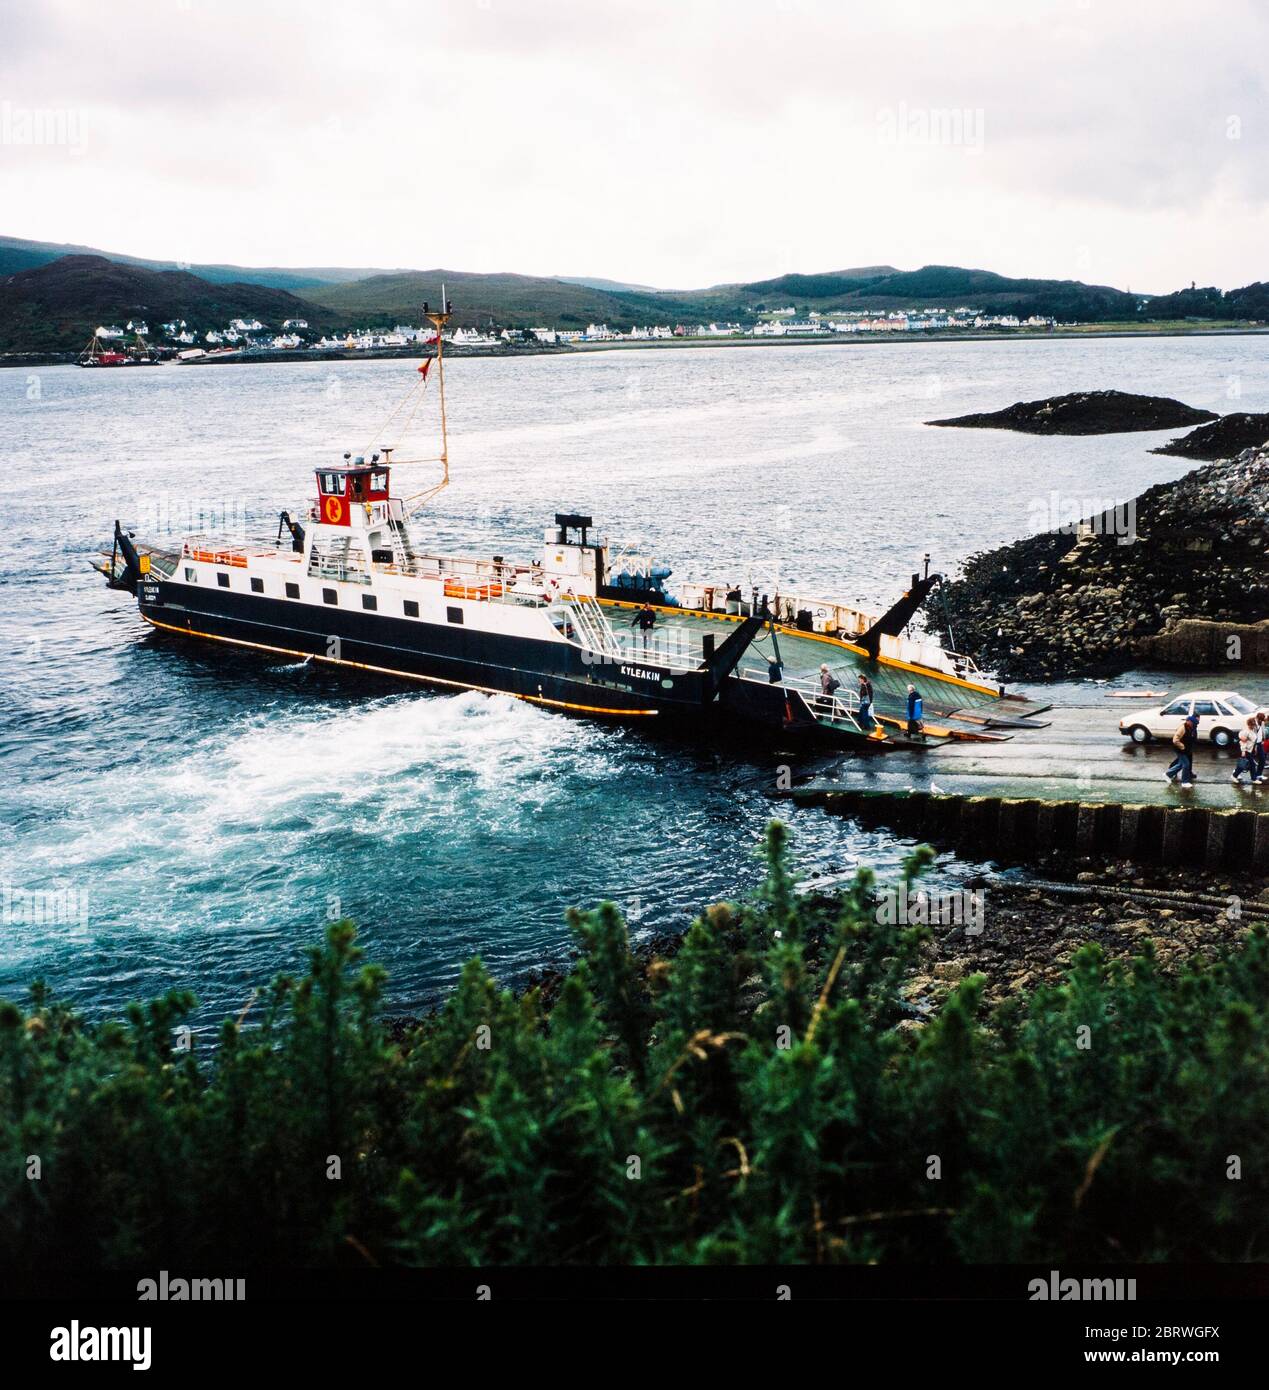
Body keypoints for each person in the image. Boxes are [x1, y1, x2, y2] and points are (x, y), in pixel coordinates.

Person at [1164, 711, 1198, 789]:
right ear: (1188, 721)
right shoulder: (1182, 728)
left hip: (1185, 749)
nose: (1193, 724)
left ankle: (1168, 774)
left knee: (1180, 764)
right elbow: (1175, 740)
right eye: (1193, 723)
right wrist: (1182, 746)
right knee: (1186, 764)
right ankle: (1185, 782)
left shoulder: (1191, 727)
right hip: (1179, 749)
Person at [1232, 716, 1259, 786]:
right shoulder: (1246, 731)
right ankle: (1253, 779)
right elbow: (1243, 742)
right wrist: (1243, 751)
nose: (1253, 726)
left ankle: (1235, 774)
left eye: (1254, 725)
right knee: (1248, 764)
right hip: (1246, 750)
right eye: (1252, 725)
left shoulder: (1253, 730)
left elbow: (1254, 740)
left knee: (1245, 765)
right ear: (1249, 724)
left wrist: (1255, 748)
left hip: (1250, 750)